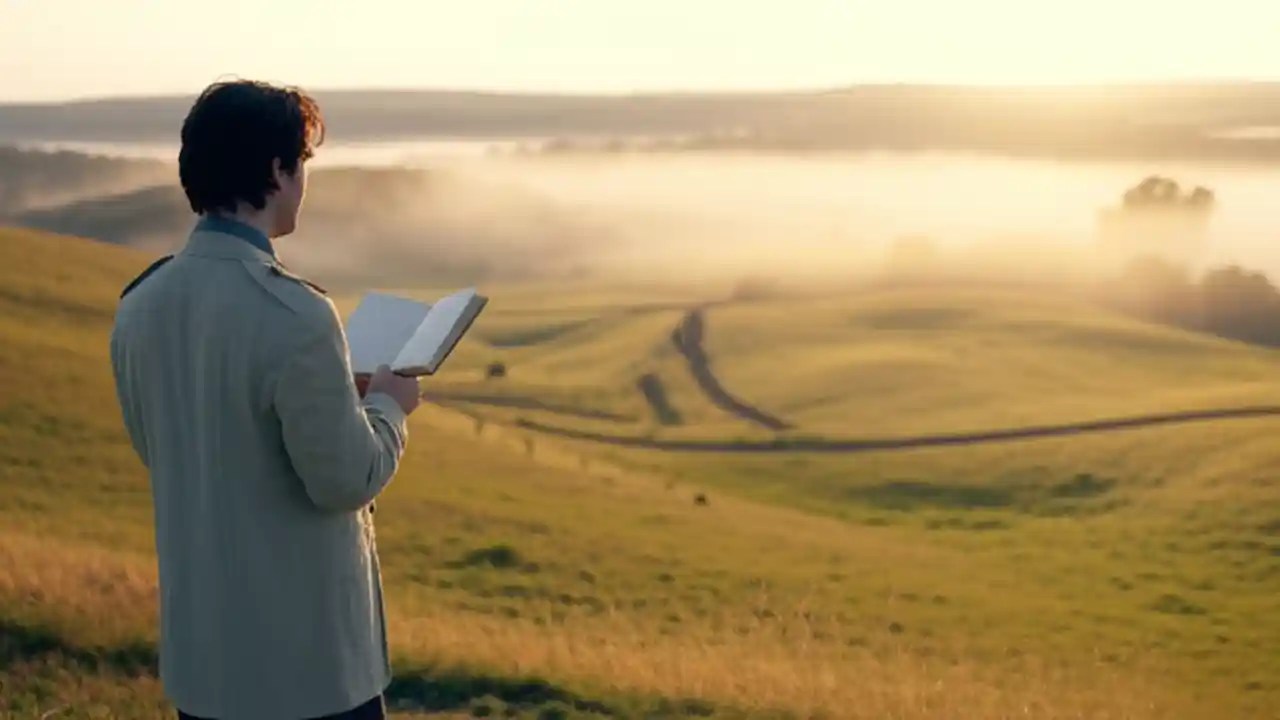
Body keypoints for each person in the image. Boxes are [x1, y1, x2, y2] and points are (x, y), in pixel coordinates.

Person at [109, 79, 422, 720]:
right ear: (277, 170)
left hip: (204, 667)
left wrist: (337, 398)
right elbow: (345, 478)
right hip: (307, 674)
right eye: (301, 163)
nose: (304, 180)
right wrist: (388, 404)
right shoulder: (296, 313)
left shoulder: (140, 304)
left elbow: (166, 446)